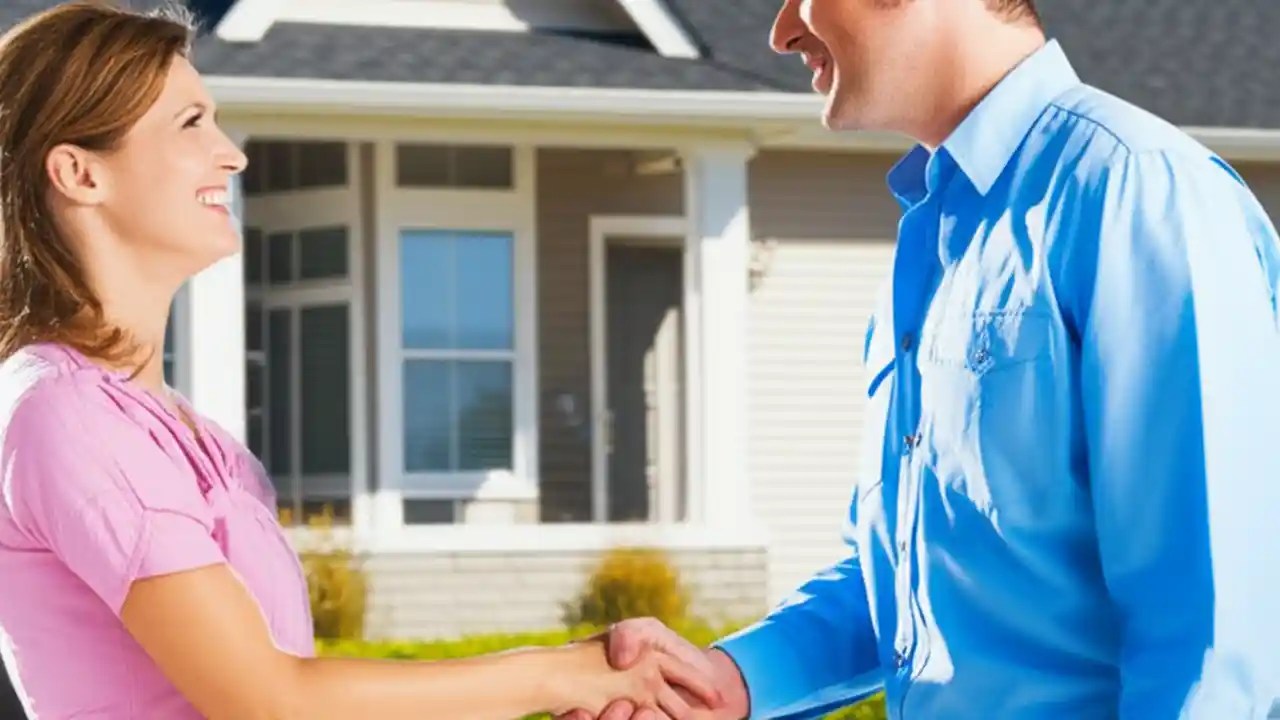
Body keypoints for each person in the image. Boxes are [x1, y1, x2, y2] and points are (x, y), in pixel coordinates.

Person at [0, 3, 723, 719]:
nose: (232, 153)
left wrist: (584, 670)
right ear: (79, 173)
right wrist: (559, 675)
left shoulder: (184, 433)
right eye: (190, 123)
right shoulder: (72, 419)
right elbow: (271, 700)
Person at [560, 0, 1280, 718]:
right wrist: (728, 680)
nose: (782, 31)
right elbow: (907, 585)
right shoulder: (939, 239)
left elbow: (1216, 635)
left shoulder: (1139, 192)